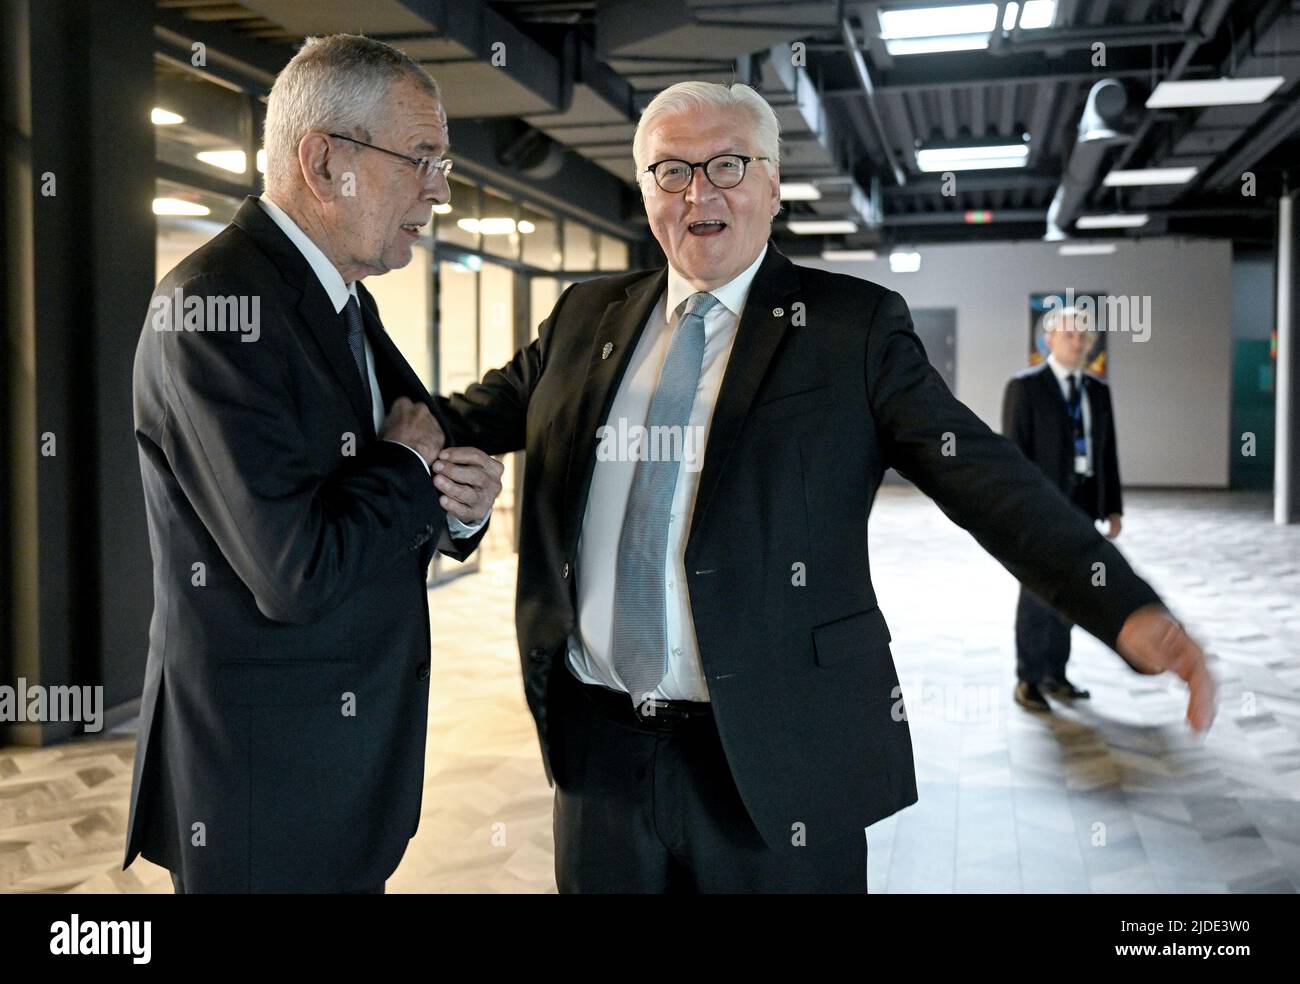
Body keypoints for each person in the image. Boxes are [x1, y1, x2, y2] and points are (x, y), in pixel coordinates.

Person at [436, 80, 1216, 893]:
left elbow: (988, 478)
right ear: (646, 192)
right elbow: (460, 419)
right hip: (599, 760)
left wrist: (1117, 600)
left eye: (728, 166)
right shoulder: (584, 317)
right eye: (672, 171)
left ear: (773, 186)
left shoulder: (852, 330)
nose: (700, 192)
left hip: (778, 757)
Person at [123, 34, 502, 893]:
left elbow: (418, 452)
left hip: (340, 764)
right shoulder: (215, 307)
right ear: (326, 160)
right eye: (423, 159)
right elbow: (293, 569)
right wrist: (410, 469)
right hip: (262, 785)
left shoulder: (341, 298)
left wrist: (459, 505)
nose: (439, 191)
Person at [1003, 307, 1123, 712]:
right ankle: (1029, 679)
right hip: (1040, 508)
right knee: (1038, 592)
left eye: (1084, 337)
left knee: (1071, 593)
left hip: (1083, 504)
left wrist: (1113, 507)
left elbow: (1107, 452)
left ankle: (1056, 673)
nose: (1079, 342)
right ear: (1049, 340)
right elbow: (1014, 456)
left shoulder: (1097, 391)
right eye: (1070, 335)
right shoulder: (1026, 388)